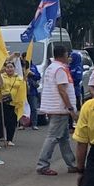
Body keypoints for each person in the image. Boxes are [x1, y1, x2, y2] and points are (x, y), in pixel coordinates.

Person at [37, 44, 78, 176]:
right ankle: (42, 164)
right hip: (60, 108)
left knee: (64, 138)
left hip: (56, 107)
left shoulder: (52, 67)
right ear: (64, 55)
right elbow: (62, 90)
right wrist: (70, 108)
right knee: (53, 137)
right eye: (68, 54)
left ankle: (71, 164)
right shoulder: (60, 69)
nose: (69, 57)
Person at [0, 61, 26, 147]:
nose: (9, 69)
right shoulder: (1, 76)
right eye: (8, 67)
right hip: (2, 102)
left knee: (12, 122)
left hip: (14, 102)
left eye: (11, 67)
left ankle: (9, 139)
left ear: (14, 68)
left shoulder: (19, 78)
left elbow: (22, 89)